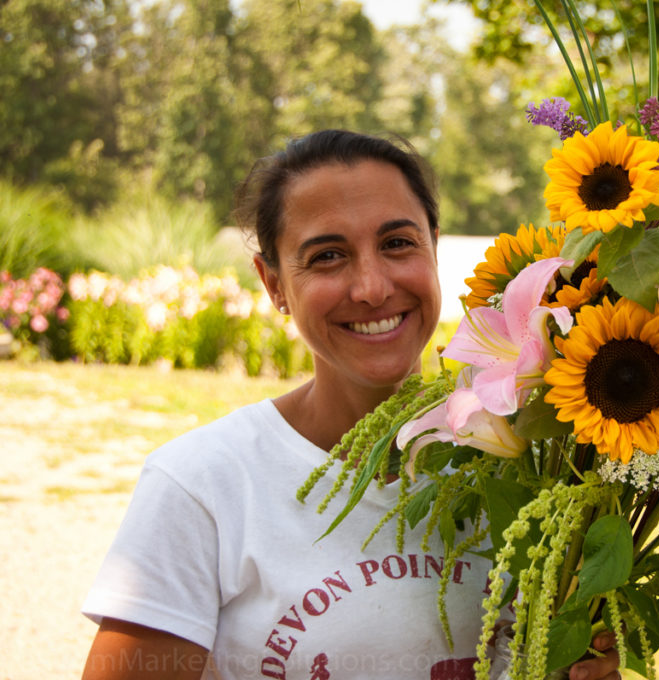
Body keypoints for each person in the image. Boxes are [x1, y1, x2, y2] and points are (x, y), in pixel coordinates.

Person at [81, 130, 621, 680]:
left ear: (432, 246)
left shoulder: (551, 469)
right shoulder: (202, 485)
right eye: (328, 256)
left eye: (397, 244)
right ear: (274, 284)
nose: (370, 287)